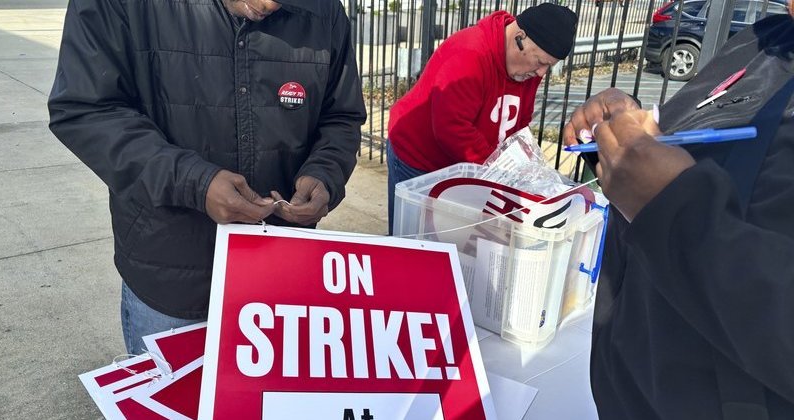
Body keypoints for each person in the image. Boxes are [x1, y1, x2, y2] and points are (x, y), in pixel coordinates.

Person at [47, 0, 366, 355]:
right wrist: (194, 183)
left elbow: (341, 116)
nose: (272, 4)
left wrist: (324, 173)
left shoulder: (324, 11)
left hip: (281, 274)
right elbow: (84, 110)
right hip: (170, 276)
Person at [561, 8, 794, 419]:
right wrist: (619, 140)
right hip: (630, 390)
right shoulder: (766, 38)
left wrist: (676, 210)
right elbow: (680, 150)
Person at [386, 4, 578, 233]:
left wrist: (522, 166)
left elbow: (519, 123)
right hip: (418, 156)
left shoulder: (527, 67)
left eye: (549, 66)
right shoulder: (469, 54)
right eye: (541, 62)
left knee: (452, 239)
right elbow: (451, 128)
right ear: (520, 38)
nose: (541, 73)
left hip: (465, 165)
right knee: (412, 240)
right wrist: (498, 170)